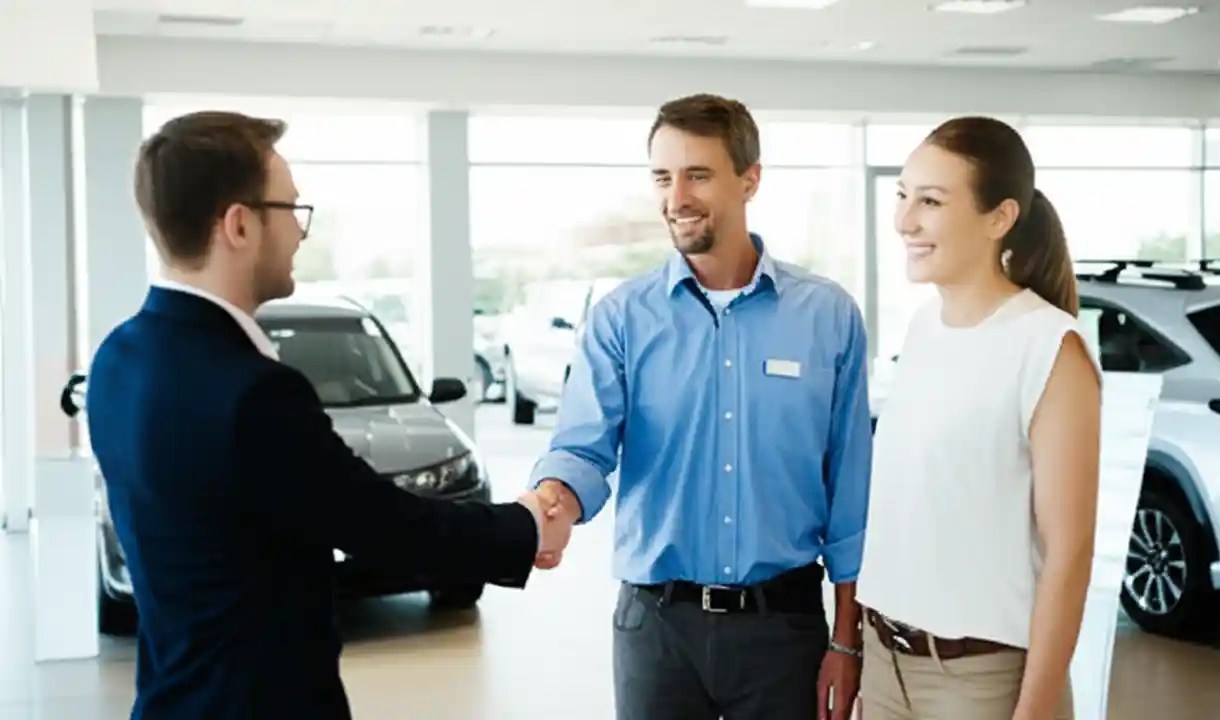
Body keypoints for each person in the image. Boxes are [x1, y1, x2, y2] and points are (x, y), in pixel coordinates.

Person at [85, 111, 571, 720]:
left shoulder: (117, 360)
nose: (300, 232)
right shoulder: (252, 393)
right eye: (290, 209)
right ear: (239, 224)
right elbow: (380, 524)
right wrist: (524, 528)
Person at [528, 93, 873, 720]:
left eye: (698, 175)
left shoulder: (827, 317)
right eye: (663, 176)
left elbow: (851, 492)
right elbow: (582, 449)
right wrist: (552, 498)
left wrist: (847, 639)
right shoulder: (622, 318)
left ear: (750, 179)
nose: (676, 197)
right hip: (657, 631)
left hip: (785, 631)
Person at [855, 116, 1102, 719]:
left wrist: (1037, 707)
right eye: (903, 195)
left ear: (999, 219)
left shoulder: (1050, 348)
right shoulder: (922, 329)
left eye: (931, 201)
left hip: (980, 683)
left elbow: (1070, 551)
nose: (904, 220)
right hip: (887, 664)